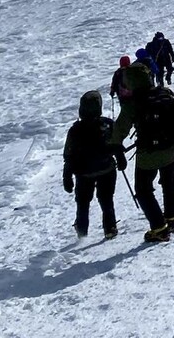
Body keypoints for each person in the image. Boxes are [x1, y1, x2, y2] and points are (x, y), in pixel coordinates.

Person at [111, 83, 174, 243]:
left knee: (143, 190)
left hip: (147, 153)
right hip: (170, 147)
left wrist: (117, 150)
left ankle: (159, 227)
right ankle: (171, 217)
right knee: (169, 180)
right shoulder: (165, 93)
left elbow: (120, 129)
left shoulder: (133, 101)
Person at [62, 89, 124, 238]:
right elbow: (116, 145)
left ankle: (82, 230)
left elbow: (68, 155)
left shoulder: (75, 130)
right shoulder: (107, 124)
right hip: (106, 169)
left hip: (83, 173)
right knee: (106, 199)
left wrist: (67, 177)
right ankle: (110, 228)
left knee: (83, 202)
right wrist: (120, 159)